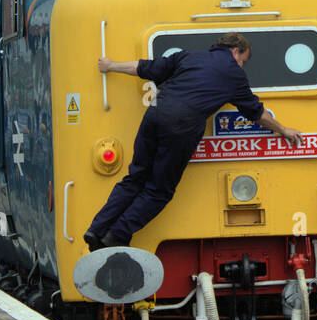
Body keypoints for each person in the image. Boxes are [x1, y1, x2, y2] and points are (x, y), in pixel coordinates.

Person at [84, 32, 302, 251]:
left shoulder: (187, 57)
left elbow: (144, 68)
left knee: (135, 178)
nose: (241, 66)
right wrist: (283, 129)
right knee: (159, 191)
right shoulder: (234, 75)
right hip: (181, 126)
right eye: (242, 60)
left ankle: (96, 229)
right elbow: (257, 113)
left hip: (154, 115)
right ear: (235, 51)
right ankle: (117, 235)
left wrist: (111, 66)